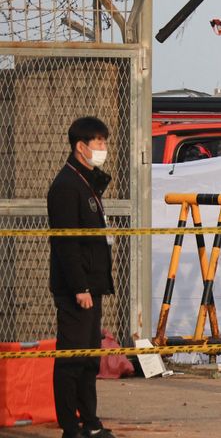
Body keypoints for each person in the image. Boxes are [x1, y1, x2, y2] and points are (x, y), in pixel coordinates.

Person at [47, 116, 117, 438]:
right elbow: (66, 243)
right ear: (80, 146)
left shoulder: (86, 182)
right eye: (98, 142)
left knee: (90, 358)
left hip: (94, 284)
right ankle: (70, 426)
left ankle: (90, 422)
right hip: (77, 288)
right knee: (72, 358)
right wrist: (80, 286)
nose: (103, 147)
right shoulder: (66, 186)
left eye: (104, 141)